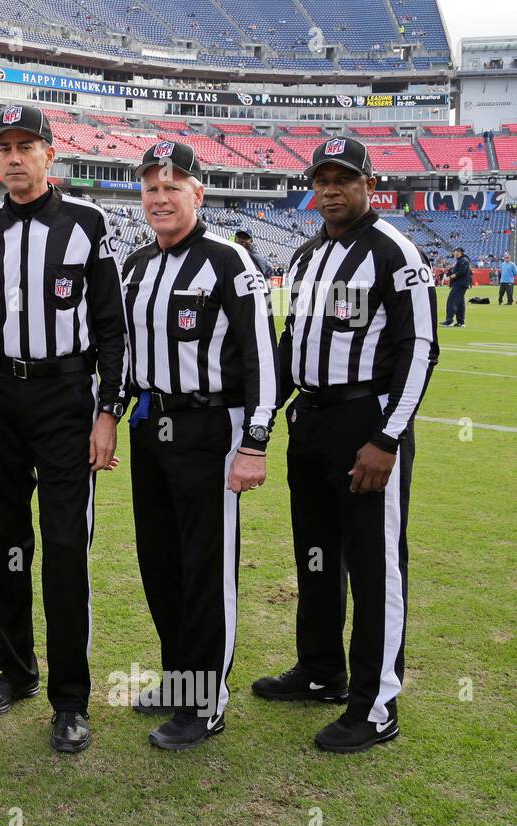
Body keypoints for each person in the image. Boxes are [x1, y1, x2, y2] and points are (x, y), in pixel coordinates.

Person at [253, 136, 438, 753]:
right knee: (317, 555)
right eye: (322, 179)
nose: (332, 189)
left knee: (374, 564)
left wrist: (388, 437)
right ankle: (321, 669)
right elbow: (290, 343)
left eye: (345, 179)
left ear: (368, 183)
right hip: (311, 420)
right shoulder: (306, 258)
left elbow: (420, 350)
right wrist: (264, 418)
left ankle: (376, 704)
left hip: (366, 420)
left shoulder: (395, 252)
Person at [0, 105, 127, 753]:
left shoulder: (88, 223)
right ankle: (16, 670)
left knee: (61, 547)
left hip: (65, 398)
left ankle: (71, 697)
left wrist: (108, 410)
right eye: (4, 147)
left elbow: (111, 327)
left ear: (50, 154)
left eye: (27, 145)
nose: (15, 157)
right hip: (1, 395)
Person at [122, 141, 278, 749]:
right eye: (152, 187)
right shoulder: (136, 264)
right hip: (151, 424)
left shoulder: (229, 262)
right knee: (160, 562)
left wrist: (255, 442)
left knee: (206, 567)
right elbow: (127, 356)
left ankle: (207, 698)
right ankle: (180, 680)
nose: (160, 198)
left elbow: (263, 359)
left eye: (173, 187)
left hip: (210, 427)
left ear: (198, 194)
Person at [443, 246, 471, 327]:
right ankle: (460, 322)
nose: (454, 253)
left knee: (452, 301)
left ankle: (449, 321)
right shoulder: (461, 260)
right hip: (461, 284)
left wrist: (450, 277)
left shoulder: (463, 260)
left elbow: (461, 272)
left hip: (460, 284)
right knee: (460, 303)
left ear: (459, 252)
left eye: (455, 251)